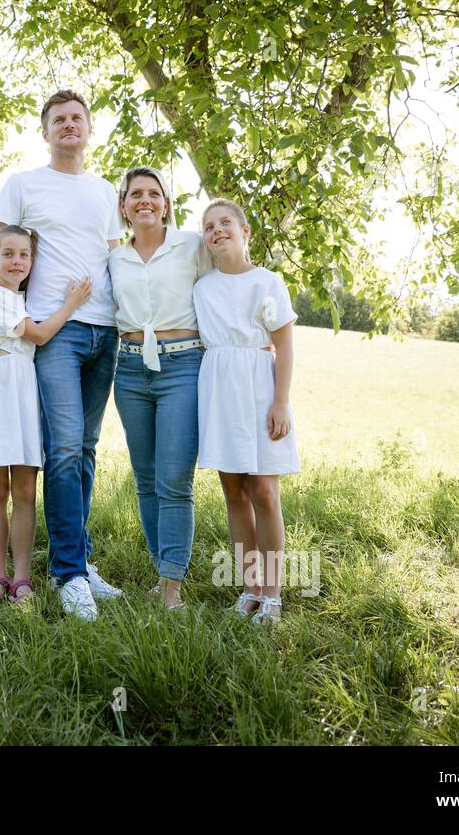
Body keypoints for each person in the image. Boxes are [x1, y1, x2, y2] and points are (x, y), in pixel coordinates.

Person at [0, 89, 124, 622]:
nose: (69, 126)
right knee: (61, 449)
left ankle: (78, 559)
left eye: (78, 118)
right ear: (46, 130)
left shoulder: (106, 192)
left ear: (89, 128)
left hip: (106, 331)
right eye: (59, 119)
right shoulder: (23, 184)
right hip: (56, 331)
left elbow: (115, 259)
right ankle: (67, 576)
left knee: (84, 450)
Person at [0, 225, 92, 605]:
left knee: (24, 490)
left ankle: (22, 577)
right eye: (8, 254)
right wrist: (70, 305)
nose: (17, 261)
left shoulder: (21, 300)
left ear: (32, 261)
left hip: (23, 396)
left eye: (24, 255)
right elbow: (37, 336)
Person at [108, 166, 214, 610]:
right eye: (136, 195)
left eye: (154, 194)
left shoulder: (191, 245)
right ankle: (160, 569)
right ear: (124, 207)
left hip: (182, 365)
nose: (145, 201)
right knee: (146, 479)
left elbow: (222, 289)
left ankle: (172, 585)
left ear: (167, 205)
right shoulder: (114, 257)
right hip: (130, 370)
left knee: (174, 480)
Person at [192, 199, 299, 625]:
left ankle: (272, 593)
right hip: (218, 389)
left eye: (224, 223)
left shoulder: (267, 281)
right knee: (234, 491)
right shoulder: (202, 287)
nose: (217, 230)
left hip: (258, 385)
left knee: (265, 492)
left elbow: (285, 344)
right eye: (208, 227)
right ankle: (250, 586)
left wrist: (280, 401)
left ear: (245, 231)